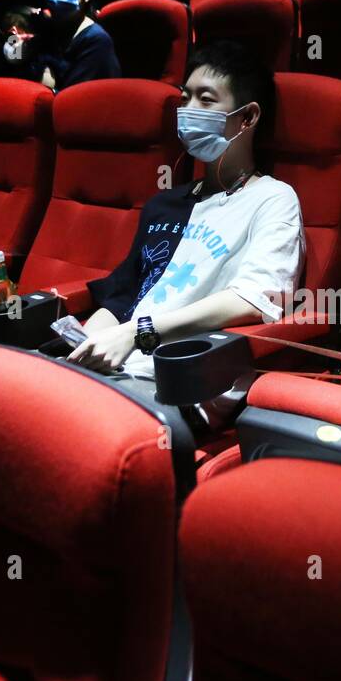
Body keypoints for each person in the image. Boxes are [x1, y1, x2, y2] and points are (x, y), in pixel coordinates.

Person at [66, 40, 304, 420]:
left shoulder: (273, 198)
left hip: (182, 383)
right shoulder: (166, 203)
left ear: (247, 117)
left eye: (206, 100)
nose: (188, 111)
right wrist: (84, 346)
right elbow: (123, 295)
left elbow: (255, 299)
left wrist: (136, 333)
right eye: (185, 98)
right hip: (116, 367)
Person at [39, 0, 120, 91]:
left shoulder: (96, 40)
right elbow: (14, 60)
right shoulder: (45, 28)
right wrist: (11, 43)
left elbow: (74, 100)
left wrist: (46, 83)